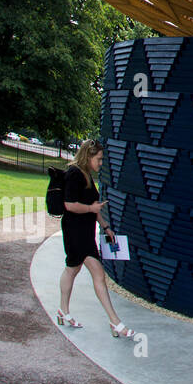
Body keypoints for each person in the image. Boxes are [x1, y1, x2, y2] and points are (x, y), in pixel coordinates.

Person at [57, 140, 135, 338]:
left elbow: (94, 205)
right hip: (75, 232)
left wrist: (105, 226)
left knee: (72, 270)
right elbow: (69, 205)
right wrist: (92, 209)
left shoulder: (87, 176)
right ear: (88, 156)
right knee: (96, 274)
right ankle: (115, 322)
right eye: (99, 159)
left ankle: (63, 312)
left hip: (84, 232)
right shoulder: (74, 174)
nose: (101, 163)